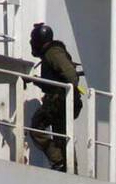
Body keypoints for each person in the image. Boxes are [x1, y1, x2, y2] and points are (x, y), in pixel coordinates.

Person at [28, 22, 81, 171]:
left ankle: (60, 161)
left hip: (59, 102)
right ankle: (70, 168)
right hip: (63, 101)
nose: (32, 44)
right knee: (62, 136)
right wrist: (34, 80)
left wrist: (62, 94)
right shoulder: (52, 52)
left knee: (37, 127)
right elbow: (51, 83)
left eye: (33, 40)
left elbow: (71, 76)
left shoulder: (53, 52)